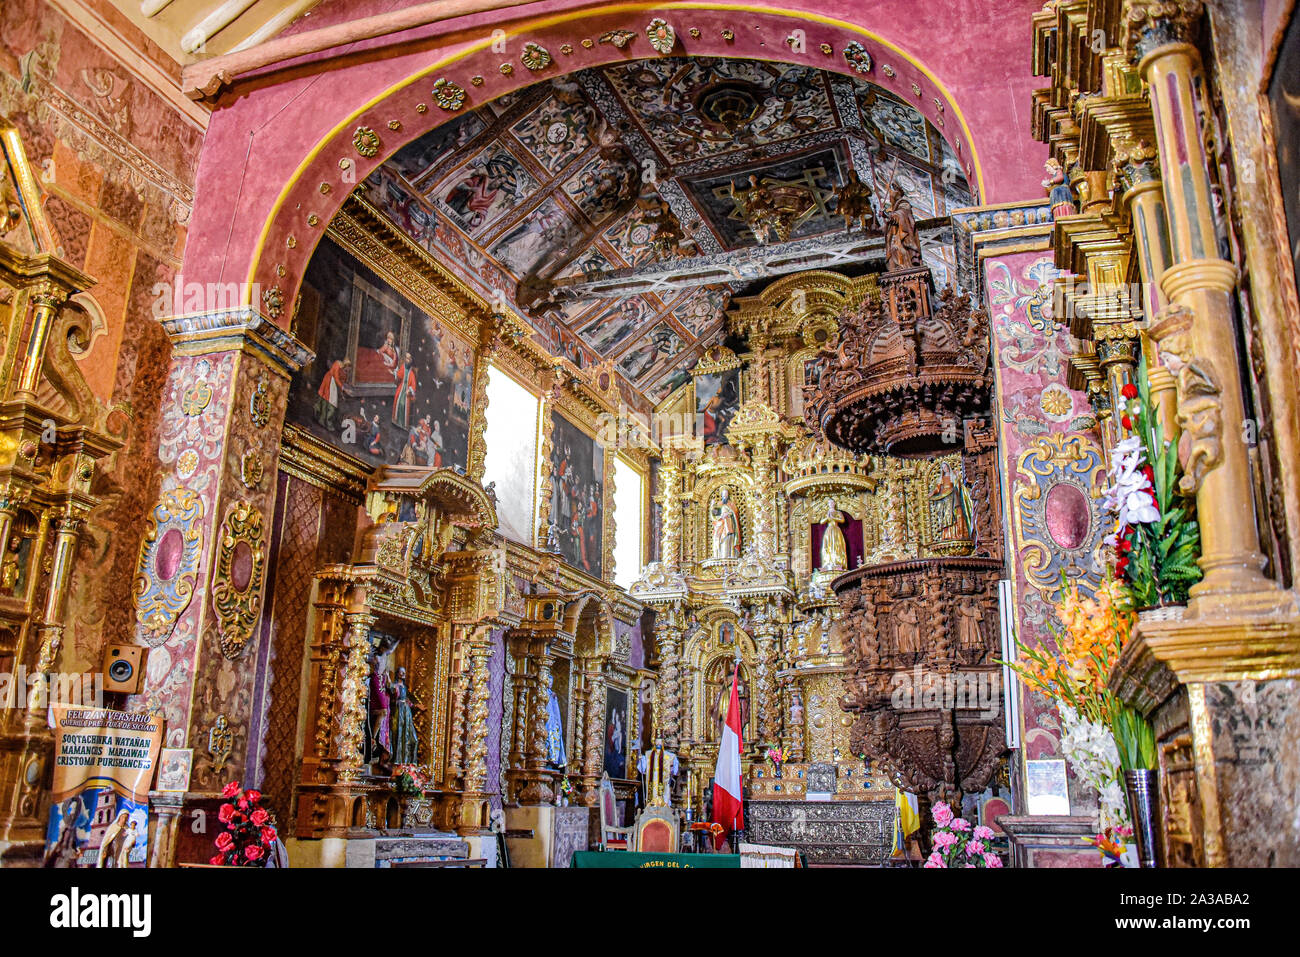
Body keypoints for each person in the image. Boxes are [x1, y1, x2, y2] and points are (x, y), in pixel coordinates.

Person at [314, 357, 351, 431]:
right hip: (329, 382)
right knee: (326, 402)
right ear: (345, 365)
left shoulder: (345, 373)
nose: (348, 370)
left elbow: (342, 382)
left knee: (331, 404)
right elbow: (336, 377)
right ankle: (323, 420)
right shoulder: (337, 364)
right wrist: (343, 388)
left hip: (334, 386)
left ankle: (326, 421)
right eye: (347, 368)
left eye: (349, 369)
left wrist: (342, 392)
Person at [390, 666, 418, 764]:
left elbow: (407, 699)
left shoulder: (405, 687)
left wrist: (414, 705)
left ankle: (408, 761)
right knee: (399, 733)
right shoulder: (394, 685)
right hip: (399, 711)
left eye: (404, 672)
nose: (403, 674)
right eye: (401, 672)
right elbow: (392, 698)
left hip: (406, 711)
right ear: (397, 673)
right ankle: (398, 759)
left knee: (410, 737)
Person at [711, 487, 740, 560]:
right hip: (721, 527)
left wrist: (729, 514)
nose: (725, 496)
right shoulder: (719, 504)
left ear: (728, 495)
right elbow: (714, 515)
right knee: (721, 542)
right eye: (723, 494)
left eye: (726, 494)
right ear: (721, 495)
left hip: (729, 527)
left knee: (728, 541)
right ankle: (721, 557)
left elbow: (735, 513)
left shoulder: (732, 504)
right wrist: (712, 506)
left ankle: (730, 556)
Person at [820, 498, 848, 571]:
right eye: (830, 503)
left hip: (836, 530)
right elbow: (821, 522)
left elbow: (842, 520)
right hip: (829, 531)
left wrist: (834, 518)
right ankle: (828, 563)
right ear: (828, 504)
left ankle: (837, 563)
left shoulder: (838, 512)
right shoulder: (826, 513)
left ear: (834, 504)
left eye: (832, 502)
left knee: (837, 546)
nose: (831, 504)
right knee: (827, 546)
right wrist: (827, 518)